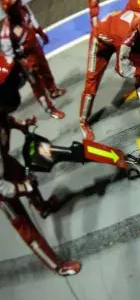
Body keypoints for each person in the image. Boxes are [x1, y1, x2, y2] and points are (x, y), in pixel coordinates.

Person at [0, 57, 81, 276]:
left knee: (25, 176)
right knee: (24, 224)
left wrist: (20, 125)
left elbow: (4, 119)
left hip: (4, 162)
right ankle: (58, 266)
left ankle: (43, 207)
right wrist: (20, 189)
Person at [79, 10, 140, 140]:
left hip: (120, 34)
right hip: (101, 42)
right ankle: (83, 121)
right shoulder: (125, 38)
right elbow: (123, 70)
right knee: (91, 81)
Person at [1, 0, 65, 119]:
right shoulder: (5, 33)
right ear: (10, 9)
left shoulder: (24, 9)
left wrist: (41, 33)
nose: (20, 3)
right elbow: (9, 57)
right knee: (37, 86)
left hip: (36, 48)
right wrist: (23, 67)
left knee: (46, 71)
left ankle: (53, 90)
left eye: (19, 0)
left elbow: (33, 20)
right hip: (27, 60)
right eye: (17, 2)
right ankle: (50, 109)